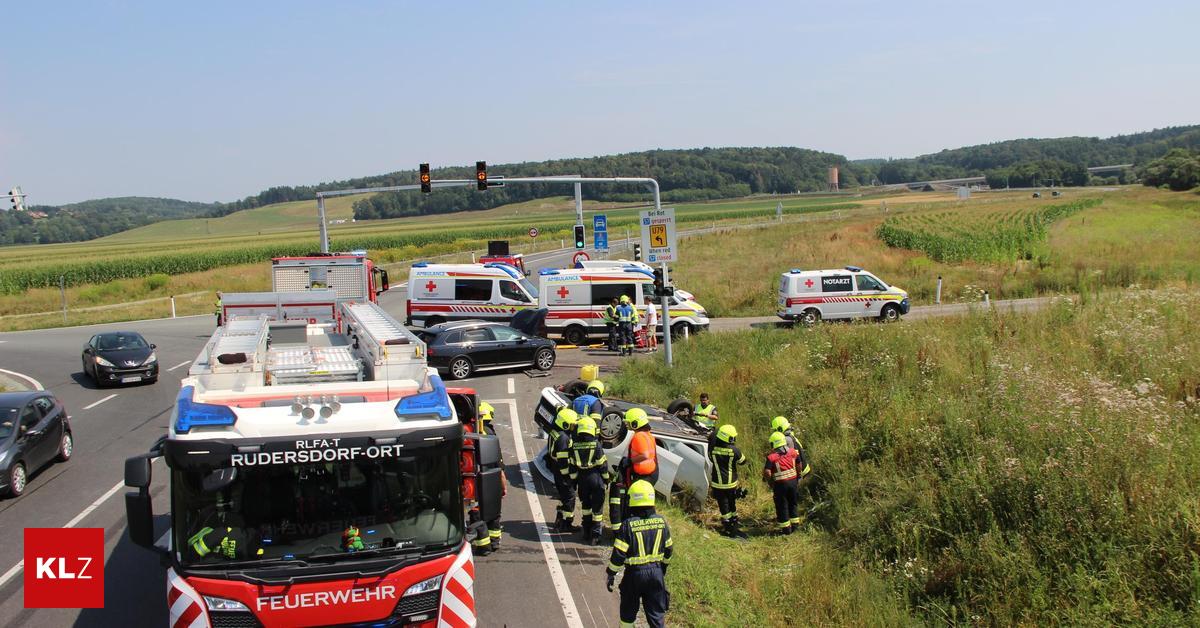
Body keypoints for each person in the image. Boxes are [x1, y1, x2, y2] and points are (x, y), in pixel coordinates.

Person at [606, 479, 672, 628]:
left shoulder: (627, 525)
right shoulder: (662, 522)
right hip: (656, 574)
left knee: (627, 615)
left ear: (632, 500)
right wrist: (663, 568)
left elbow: (618, 555)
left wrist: (611, 573)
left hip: (633, 576)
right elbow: (669, 549)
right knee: (656, 615)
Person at [568, 415, 610, 544]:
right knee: (597, 508)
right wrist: (606, 479)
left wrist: (574, 482)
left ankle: (586, 532)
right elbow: (602, 464)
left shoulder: (573, 446)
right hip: (595, 477)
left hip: (582, 479)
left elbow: (572, 467)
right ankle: (595, 536)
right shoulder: (596, 445)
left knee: (586, 506)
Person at [708, 424, 748, 538]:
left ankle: (727, 525)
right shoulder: (734, 450)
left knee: (723, 506)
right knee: (731, 503)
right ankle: (734, 522)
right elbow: (743, 461)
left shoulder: (713, 450)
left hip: (717, 483)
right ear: (729, 438)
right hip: (731, 483)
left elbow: (710, 453)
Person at [763, 431, 801, 534]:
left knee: (782, 505)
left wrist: (770, 482)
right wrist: (799, 476)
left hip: (780, 485)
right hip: (793, 482)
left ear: (774, 443)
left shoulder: (771, 457)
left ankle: (786, 529)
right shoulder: (793, 452)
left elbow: (767, 472)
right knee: (793, 503)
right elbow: (799, 464)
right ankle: (795, 525)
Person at [478, 401, 504, 550]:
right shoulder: (491, 435)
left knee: (478, 513)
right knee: (493, 511)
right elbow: (498, 463)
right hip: (492, 478)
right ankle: (494, 541)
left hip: (477, 479)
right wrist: (503, 483)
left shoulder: (473, 434)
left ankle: (483, 544)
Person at [549, 408, 579, 532]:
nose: (573, 427)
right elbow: (562, 461)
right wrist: (569, 476)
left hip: (557, 471)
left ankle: (560, 521)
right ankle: (566, 524)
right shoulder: (563, 438)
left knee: (564, 497)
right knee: (570, 497)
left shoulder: (556, 432)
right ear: (565, 424)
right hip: (563, 473)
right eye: (572, 425)